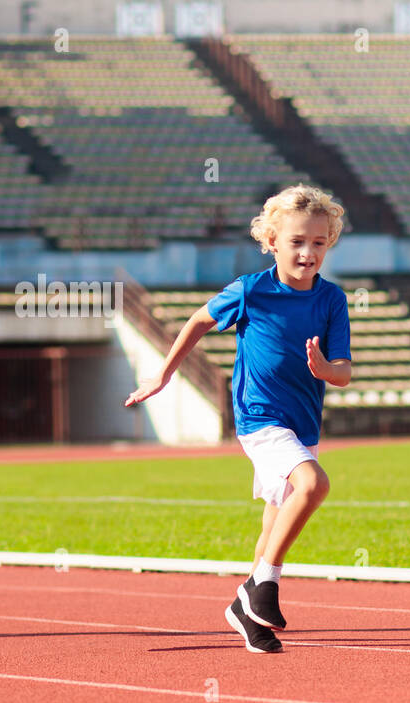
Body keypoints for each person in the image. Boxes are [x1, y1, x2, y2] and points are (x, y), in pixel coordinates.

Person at [126, 184, 352, 653]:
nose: (308, 253)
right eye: (296, 242)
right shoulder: (251, 290)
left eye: (318, 242)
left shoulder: (332, 300)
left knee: (273, 525)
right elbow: (198, 321)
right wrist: (163, 375)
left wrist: (325, 369)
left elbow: (343, 372)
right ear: (272, 241)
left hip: (303, 424)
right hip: (259, 418)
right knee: (314, 484)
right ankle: (263, 584)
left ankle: (248, 614)